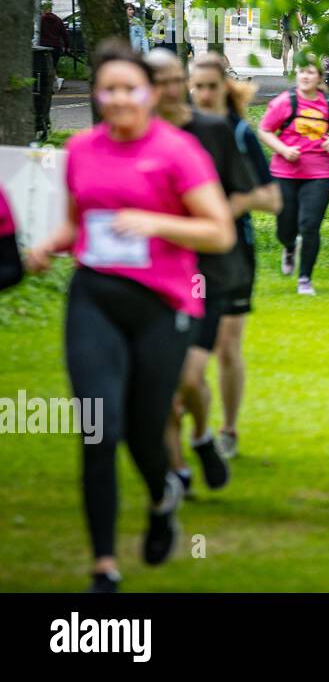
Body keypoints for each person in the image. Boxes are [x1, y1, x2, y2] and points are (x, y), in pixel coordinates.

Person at [26, 42, 234, 592]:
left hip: (160, 306)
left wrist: (156, 223)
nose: (119, 99)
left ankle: (163, 495)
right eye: (109, 89)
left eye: (130, 89)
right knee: (99, 430)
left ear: (149, 94)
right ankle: (103, 564)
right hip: (94, 298)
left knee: (145, 431)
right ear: (97, 95)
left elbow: (219, 230)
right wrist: (49, 244)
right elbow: (79, 225)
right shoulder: (83, 149)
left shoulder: (177, 151)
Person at [145, 50, 254, 499]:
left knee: (189, 377)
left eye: (177, 80)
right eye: (163, 81)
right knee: (161, 383)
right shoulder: (129, 133)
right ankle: (176, 471)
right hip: (147, 275)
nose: (173, 90)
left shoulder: (212, 132)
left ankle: (203, 435)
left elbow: (246, 194)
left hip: (202, 273)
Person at [189, 54, 282, 460]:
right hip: (183, 255)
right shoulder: (179, 132)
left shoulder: (240, 133)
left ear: (224, 88)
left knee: (227, 344)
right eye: (197, 86)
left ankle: (228, 429)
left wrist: (231, 206)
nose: (203, 94)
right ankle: (195, 430)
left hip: (233, 254)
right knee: (185, 348)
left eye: (211, 86)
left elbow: (272, 199)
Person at [258, 56, 329, 295]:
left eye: (311, 72)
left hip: (319, 174)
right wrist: (283, 149)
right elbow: (265, 130)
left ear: (319, 77)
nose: (305, 76)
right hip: (284, 173)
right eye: (302, 72)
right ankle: (289, 247)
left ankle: (305, 279)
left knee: (310, 226)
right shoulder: (285, 102)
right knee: (285, 227)